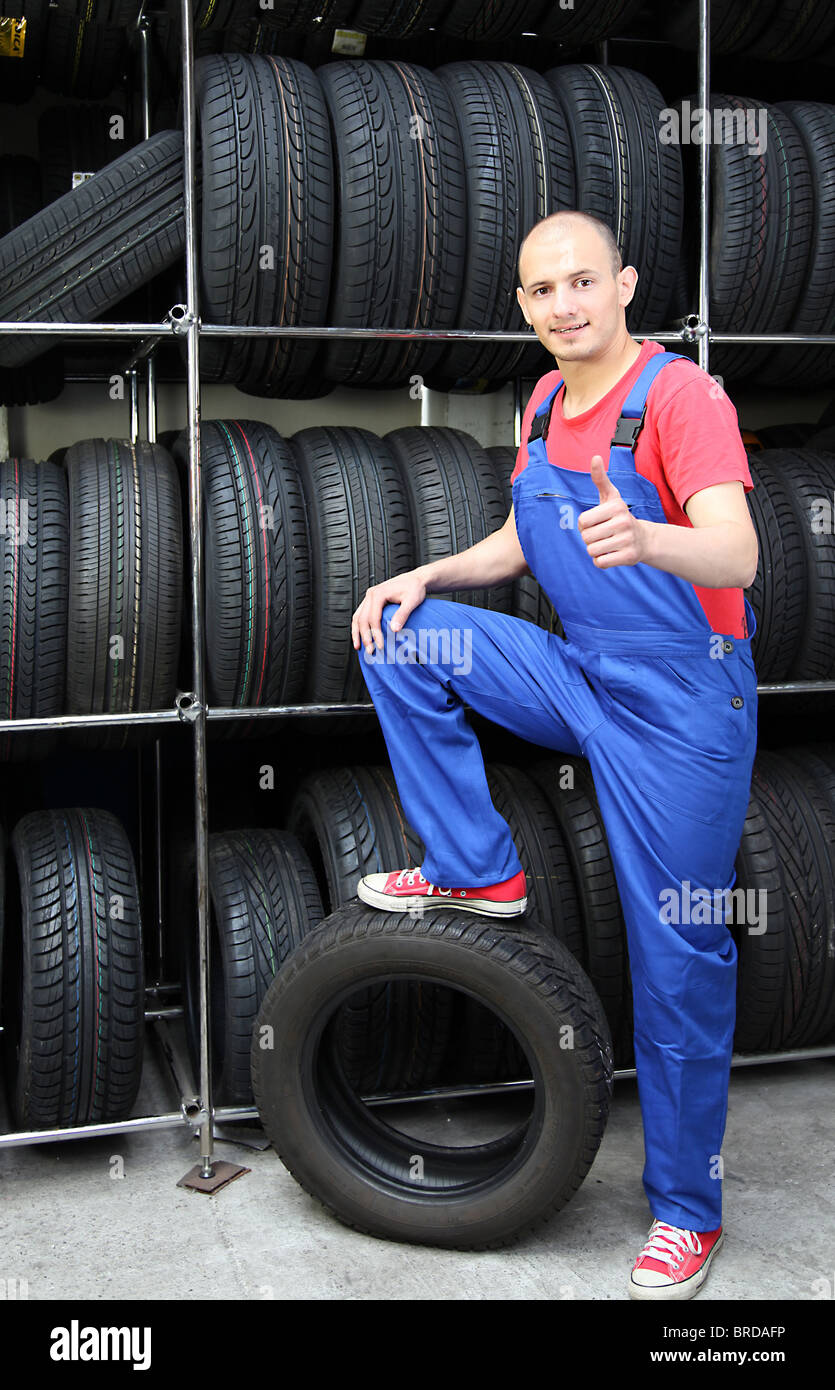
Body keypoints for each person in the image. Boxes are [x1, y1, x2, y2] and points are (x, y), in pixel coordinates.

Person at [350, 210, 759, 1301]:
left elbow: (737, 549)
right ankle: (477, 863)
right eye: (541, 291)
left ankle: (686, 1208)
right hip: (584, 673)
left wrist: (652, 538)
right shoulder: (541, 401)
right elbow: (523, 539)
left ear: (624, 284)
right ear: (526, 307)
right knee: (399, 636)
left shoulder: (680, 396)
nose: (563, 305)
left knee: (679, 960)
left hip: (682, 698)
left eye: (582, 281)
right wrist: (427, 575)